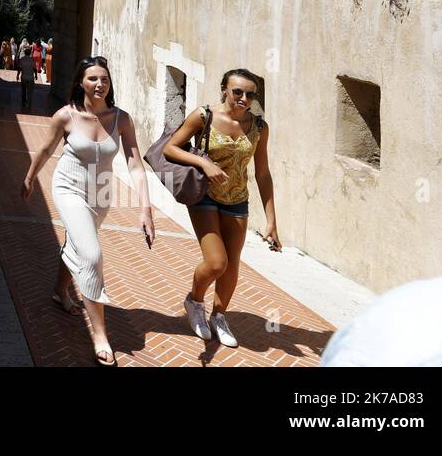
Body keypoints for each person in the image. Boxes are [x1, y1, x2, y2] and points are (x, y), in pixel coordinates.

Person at [21, 56, 154, 366]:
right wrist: (29, 177)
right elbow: (45, 149)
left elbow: (135, 164)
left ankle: (59, 290)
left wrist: (145, 208)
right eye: (93, 78)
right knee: (91, 255)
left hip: (101, 196)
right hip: (68, 189)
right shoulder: (65, 116)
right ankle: (99, 335)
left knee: (77, 243)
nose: (99, 84)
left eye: (104, 79)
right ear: (80, 82)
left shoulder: (121, 119)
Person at [163, 68, 279, 350]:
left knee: (232, 266)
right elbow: (170, 148)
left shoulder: (259, 127)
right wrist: (204, 163)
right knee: (217, 262)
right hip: (204, 195)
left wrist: (271, 221)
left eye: (250, 94)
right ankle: (194, 300)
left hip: (237, 199)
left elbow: (262, 173)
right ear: (224, 89)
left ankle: (219, 316)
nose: (243, 98)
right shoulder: (205, 116)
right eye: (237, 91)